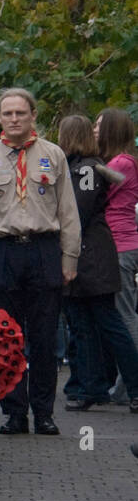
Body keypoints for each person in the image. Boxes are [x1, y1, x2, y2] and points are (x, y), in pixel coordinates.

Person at [0, 88, 81, 436]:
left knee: (45, 338)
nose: (14, 119)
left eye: (21, 113)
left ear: (33, 115)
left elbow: (68, 211)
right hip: (2, 251)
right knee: (5, 339)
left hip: (43, 249)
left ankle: (44, 412)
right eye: (7, 114)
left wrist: (70, 258)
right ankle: (14, 413)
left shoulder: (54, 154)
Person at [58, 115, 138, 410]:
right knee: (85, 324)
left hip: (90, 257)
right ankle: (94, 388)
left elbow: (77, 213)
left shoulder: (86, 170)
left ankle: (131, 387)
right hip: (90, 254)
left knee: (106, 322)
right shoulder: (87, 168)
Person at [96, 108, 138, 409]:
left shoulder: (121, 163)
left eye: (99, 125)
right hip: (118, 243)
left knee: (124, 315)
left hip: (121, 244)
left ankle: (130, 384)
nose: (94, 130)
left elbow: (101, 196)